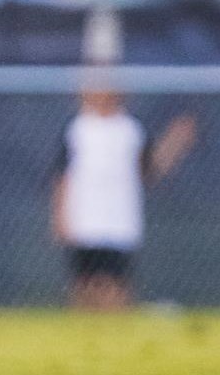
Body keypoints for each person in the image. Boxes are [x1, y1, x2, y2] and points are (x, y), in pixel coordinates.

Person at [50, 84, 196, 311]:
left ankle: (115, 338)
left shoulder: (131, 131)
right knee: (83, 285)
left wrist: (175, 142)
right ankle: (85, 340)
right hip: (85, 221)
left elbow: (149, 172)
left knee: (116, 286)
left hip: (119, 223)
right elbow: (62, 178)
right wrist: (61, 217)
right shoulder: (77, 130)